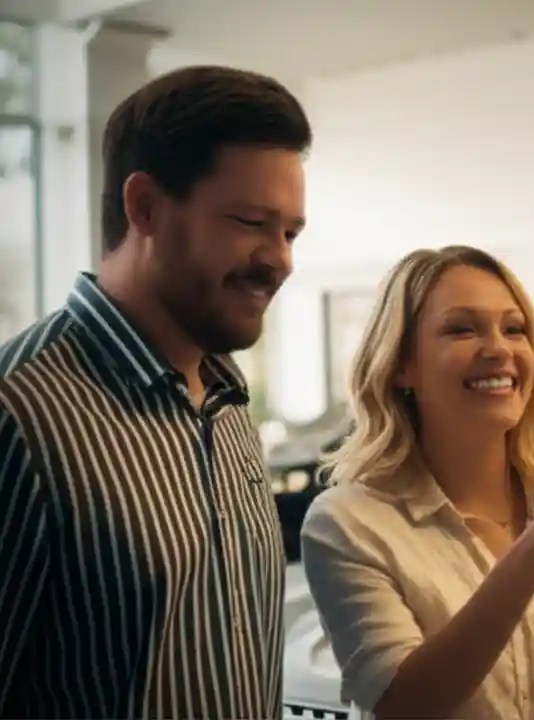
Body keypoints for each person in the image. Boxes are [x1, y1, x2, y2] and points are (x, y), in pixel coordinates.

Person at [0, 66, 309, 717]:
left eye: (289, 233)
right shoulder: (20, 413)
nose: (278, 258)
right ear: (144, 207)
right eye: (251, 221)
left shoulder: (226, 408)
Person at [300, 246, 534, 720]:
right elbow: (401, 703)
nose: (499, 349)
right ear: (403, 364)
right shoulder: (347, 523)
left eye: (515, 329)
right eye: (462, 328)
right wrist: (532, 557)